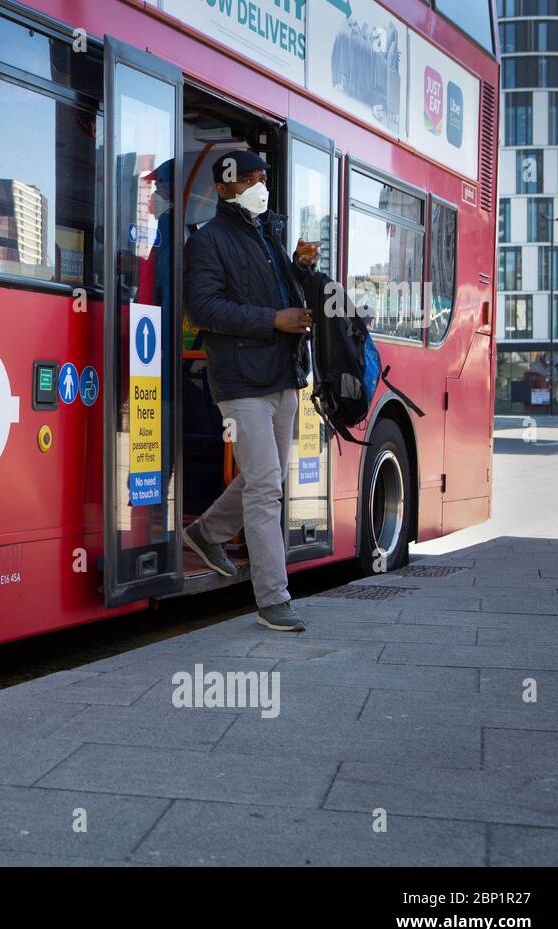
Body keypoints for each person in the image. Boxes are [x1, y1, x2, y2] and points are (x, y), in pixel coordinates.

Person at [181, 149, 320, 632]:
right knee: (266, 487)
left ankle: (206, 532)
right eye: (247, 181)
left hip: (281, 376)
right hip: (239, 382)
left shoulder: (268, 236)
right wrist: (272, 321)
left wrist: (300, 269)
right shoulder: (208, 242)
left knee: (267, 477)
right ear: (224, 188)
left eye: (262, 178)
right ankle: (273, 599)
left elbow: (284, 296)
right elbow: (203, 309)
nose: (259, 187)